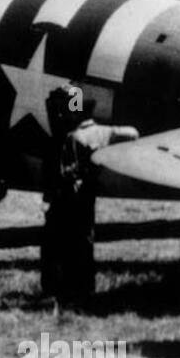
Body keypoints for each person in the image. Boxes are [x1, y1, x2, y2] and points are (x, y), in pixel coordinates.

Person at [41, 88, 138, 303]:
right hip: (86, 198)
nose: (56, 115)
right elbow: (132, 133)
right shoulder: (102, 132)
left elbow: (64, 172)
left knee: (58, 243)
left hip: (67, 198)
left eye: (59, 110)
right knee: (84, 240)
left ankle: (61, 288)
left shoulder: (72, 137)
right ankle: (85, 287)